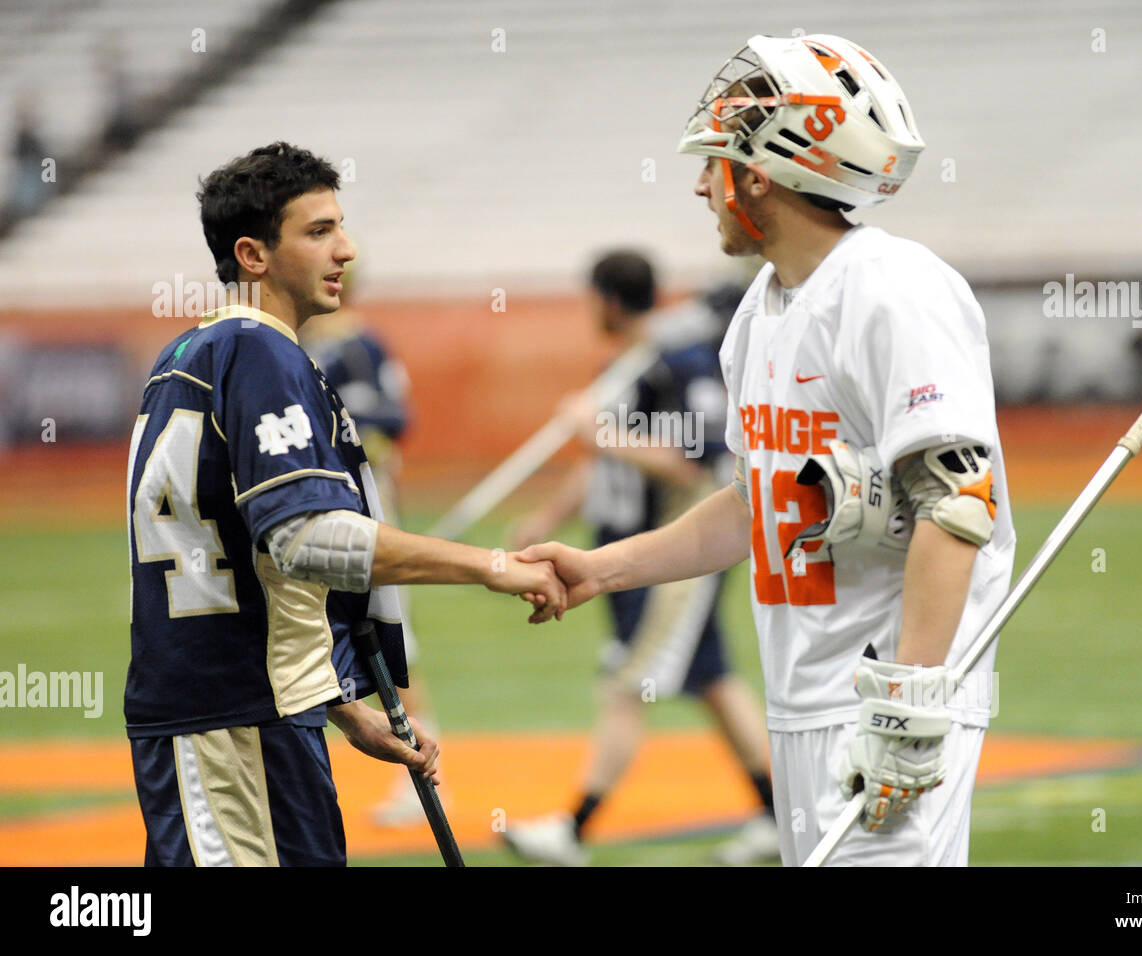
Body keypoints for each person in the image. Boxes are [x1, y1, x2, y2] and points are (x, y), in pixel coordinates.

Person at [520, 35, 1015, 866]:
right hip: (804, 698)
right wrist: (601, 569)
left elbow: (960, 500)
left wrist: (912, 703)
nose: (698, 184)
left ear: (759, 174)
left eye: (714, 162)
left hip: (885, 702)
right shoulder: (761, 312)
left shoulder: (893, 288)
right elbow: (756, 500)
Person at [126, 142, 564, 866]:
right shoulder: (259, 352)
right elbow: (302, 536)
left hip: (252, 716)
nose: (346, 249)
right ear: (253, 254)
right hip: (236, 727)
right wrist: (490, 565)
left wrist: (341, 708)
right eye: (319, 230)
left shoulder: (190, 353)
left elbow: (245, 553)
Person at [501, 251, 779, 866]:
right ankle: (779, 815)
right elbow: (610, 460)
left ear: (607, 299)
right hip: (630, 552)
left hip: (671, 560)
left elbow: (694, 459)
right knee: (713, 682)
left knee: (628, 682)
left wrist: (597, 432)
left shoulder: (672, 364)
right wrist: (549, 517)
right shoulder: (627, 367)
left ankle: (573, 831)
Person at [297, 274, 445, 827]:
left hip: (354, 501)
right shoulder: (306, 341)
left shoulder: (352, 343)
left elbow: (391, 417)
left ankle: (425, 772)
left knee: (386, 634)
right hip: (332, 502)